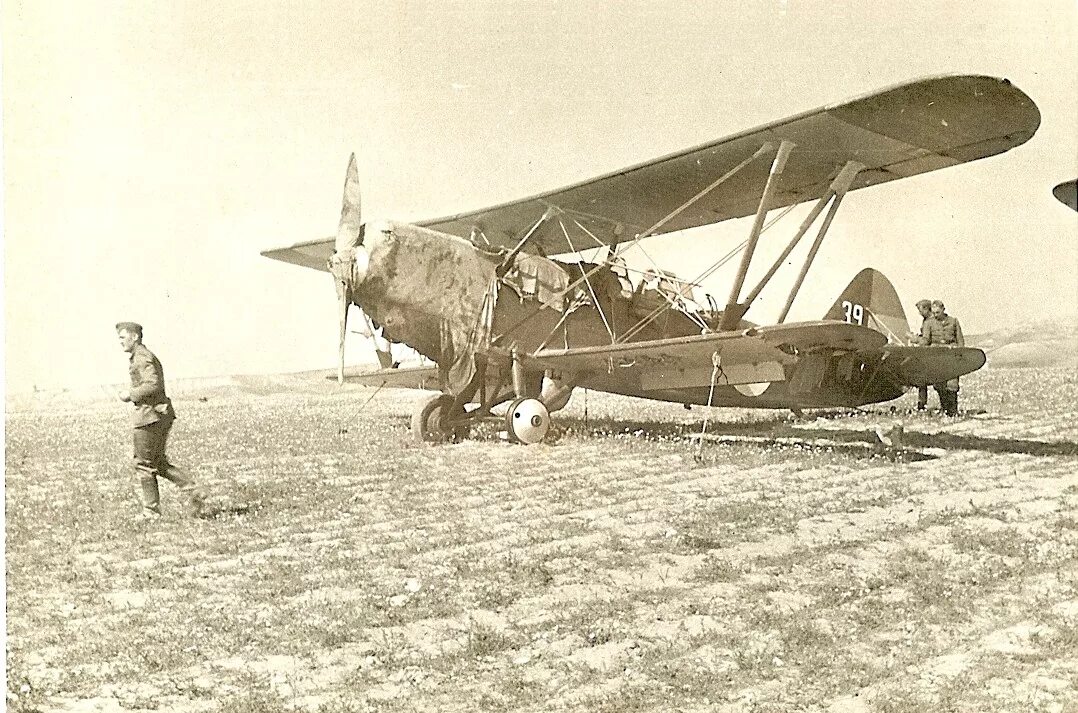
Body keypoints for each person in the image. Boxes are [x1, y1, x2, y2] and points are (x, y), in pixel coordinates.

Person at [115, 322, 203, 519]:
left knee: (143, 464)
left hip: (149, 416)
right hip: (157, 414)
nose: (120, 341)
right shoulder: (141, 356)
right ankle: (193, 490)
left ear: (134, 337)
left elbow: (152, 384)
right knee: (157, 462)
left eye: (122, 337)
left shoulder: (142, 357)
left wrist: (130, 394)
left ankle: (151, 511)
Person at [922, 300, 965, 416]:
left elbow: (960, 340)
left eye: (938, 312)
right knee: (940, 384)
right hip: (937, 357)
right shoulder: (929, 323)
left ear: (943, 310)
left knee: (952, 385)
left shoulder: (953, 321)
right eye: (934, 313)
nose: (935, 315)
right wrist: (916, 340)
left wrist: (960, 354)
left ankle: (953, 411)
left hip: (951, 356)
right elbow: (925, 340)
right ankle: (945, 409)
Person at [908, 299, 936, 410]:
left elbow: (925, 341)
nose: (919, 313)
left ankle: (922, 404)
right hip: (929, 353)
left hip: (930, 354)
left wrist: (913, 338)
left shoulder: (929, 322)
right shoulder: (927, 320)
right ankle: (922, 404)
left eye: (920, 310)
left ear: (926, 309)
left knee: (923, 380)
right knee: (923, 381)